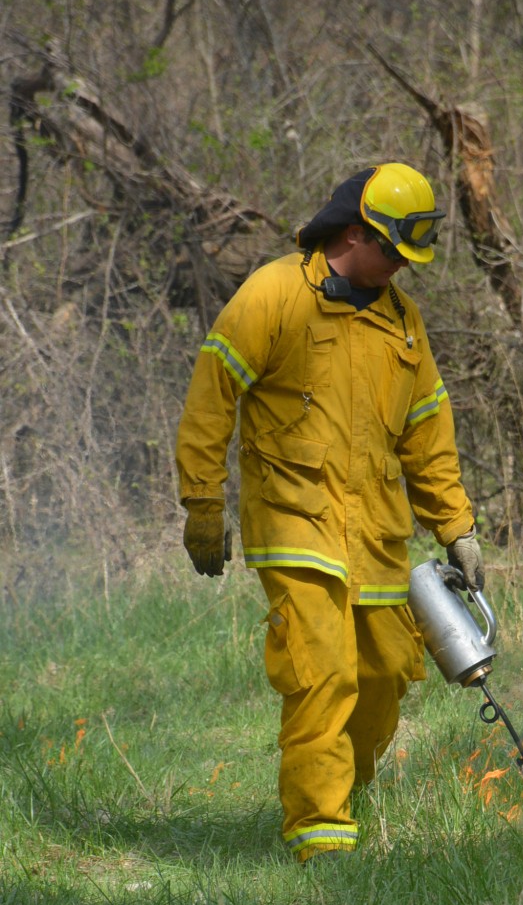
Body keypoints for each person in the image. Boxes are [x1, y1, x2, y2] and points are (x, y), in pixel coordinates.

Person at [175, 162, 483, 863]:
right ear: (354, 233)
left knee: (379, 680)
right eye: (393, 253)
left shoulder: (403, 325)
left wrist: (455, 526)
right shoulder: (276, 294)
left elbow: (427, 436)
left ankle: (344, 792)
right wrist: (201, 504)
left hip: (375, 535)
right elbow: (210, 398)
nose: (401, 269)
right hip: (293, 520)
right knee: (322, 672)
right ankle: (321, 838)